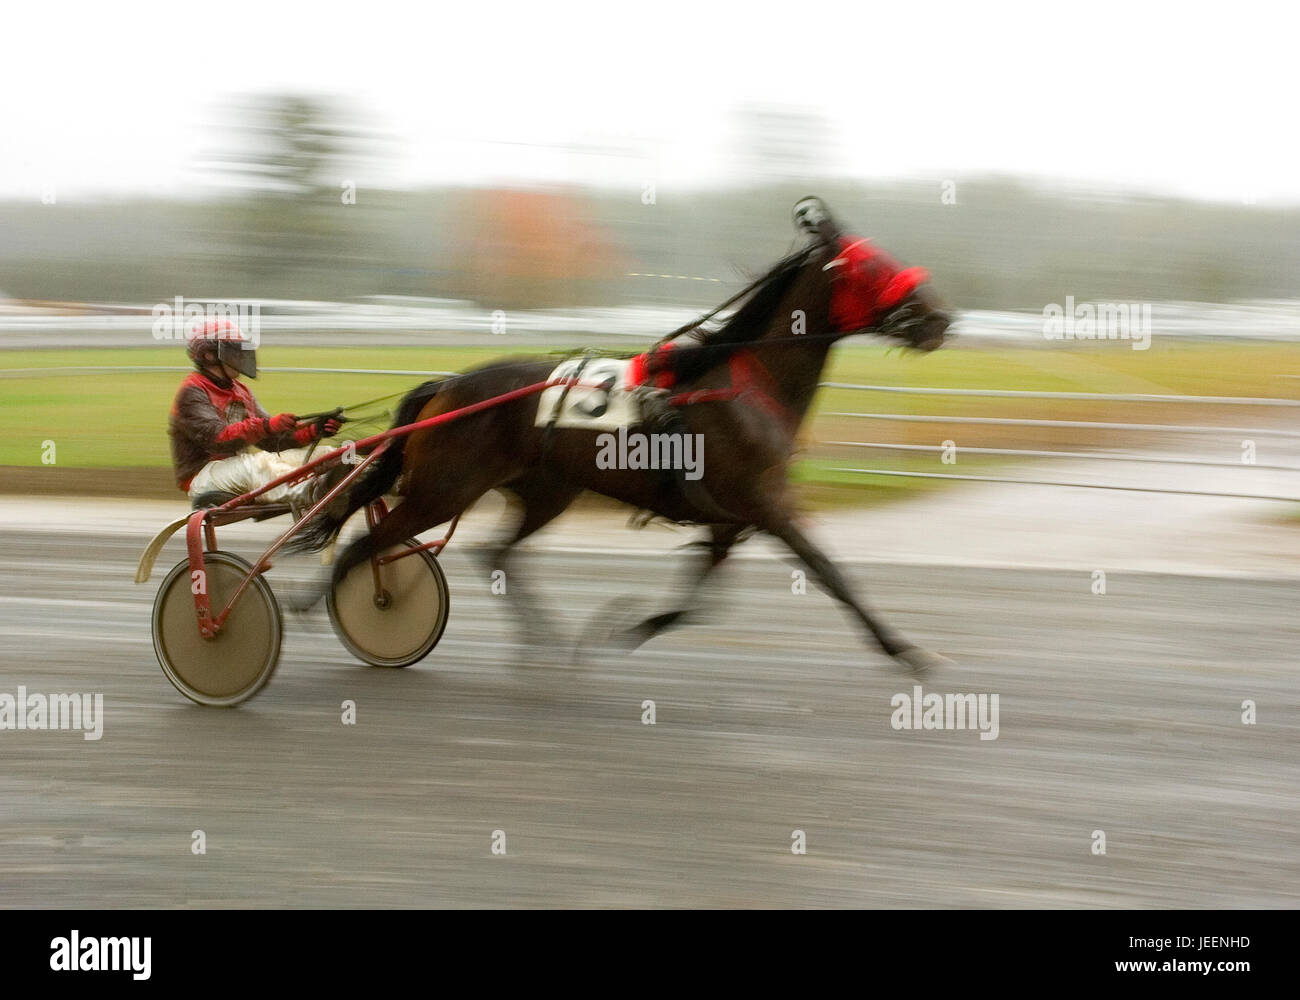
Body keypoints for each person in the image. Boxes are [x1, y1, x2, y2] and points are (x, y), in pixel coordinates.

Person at [168, 318, 341, 506]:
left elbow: (271, 440)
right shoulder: (192, 391)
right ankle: (319, 493)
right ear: (210, 356)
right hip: (202, 476)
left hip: (238, 467)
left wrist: (313, 430)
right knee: (259, 465)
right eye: (234, 352)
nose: (241, 358)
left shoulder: (241, 391)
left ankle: (356, 481)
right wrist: (267, 425)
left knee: (327, 455)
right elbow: (218, 439)